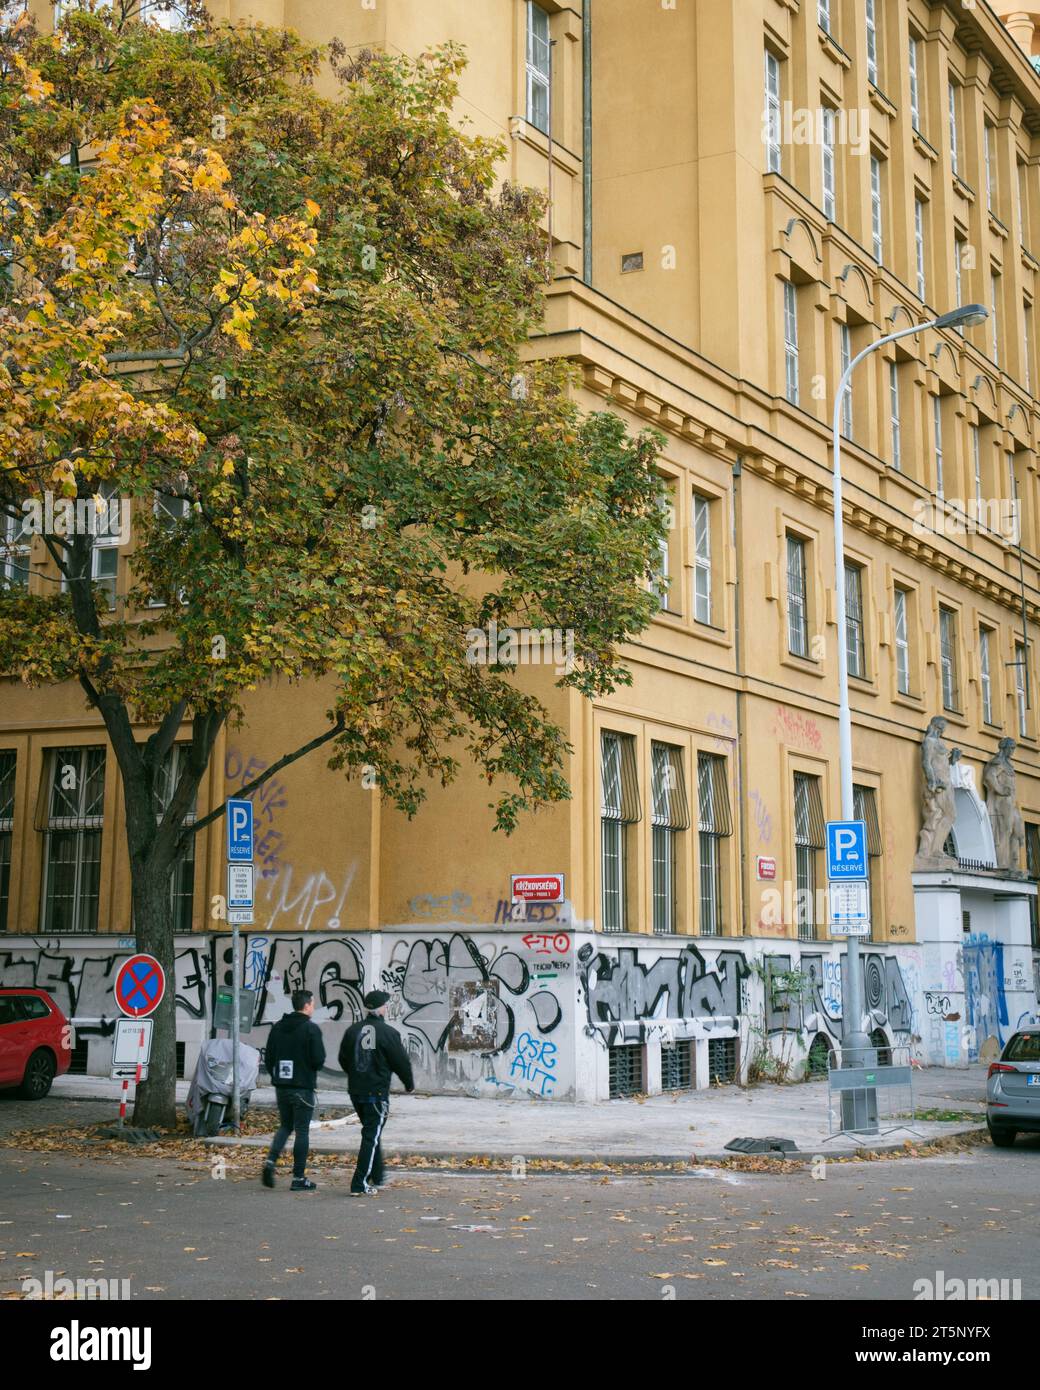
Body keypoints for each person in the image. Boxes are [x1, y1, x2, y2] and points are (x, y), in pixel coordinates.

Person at [339, 990, 414, 1196]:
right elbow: (401, 1062)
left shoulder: (352, 1031)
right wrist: (409, 1083)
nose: (387, 1008)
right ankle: (359, 1182)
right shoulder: (388, 1033)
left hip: (356, 1090)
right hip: (376, 1092)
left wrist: (356, 1074)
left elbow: (343, 1059)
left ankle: (378, 1175)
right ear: (381, 1008)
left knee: (372, 1131)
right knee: (371, 1134)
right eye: (385, 1005)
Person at [261, 989, 326, 1192]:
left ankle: (271, 1161)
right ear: (306, 1005)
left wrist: (276, 1077)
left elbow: (269, 1057)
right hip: (302, 1086)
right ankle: (298, 1177)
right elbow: (318, 1059)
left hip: (282, 1086)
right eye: (313, 1003)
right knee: (302, 1130)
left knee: (285, 1126)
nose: (314, 1007)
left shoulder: (278, 1027)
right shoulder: (310, 1029)